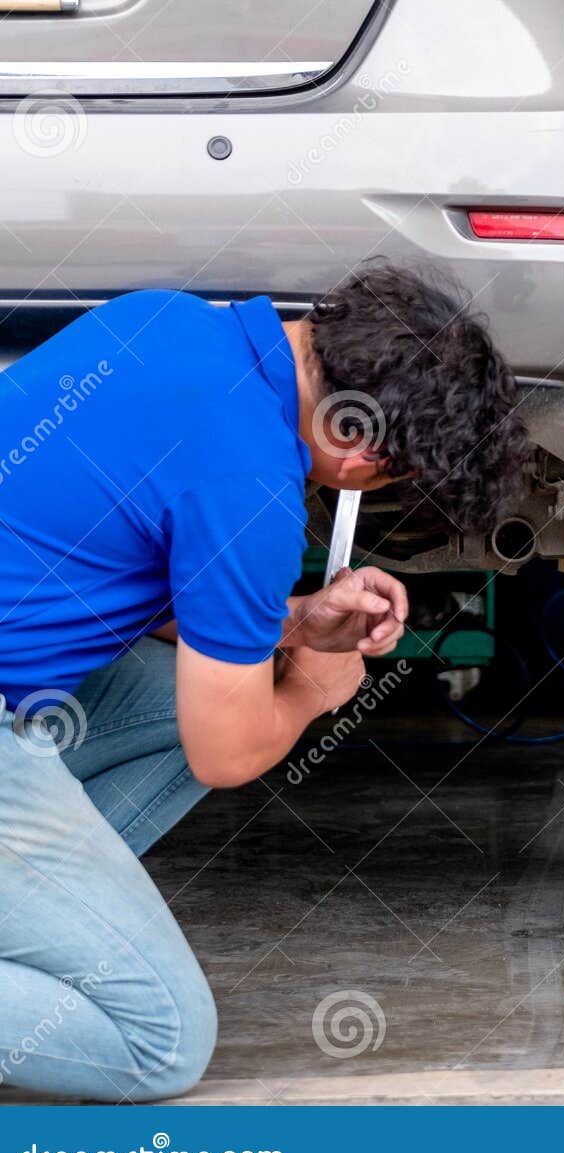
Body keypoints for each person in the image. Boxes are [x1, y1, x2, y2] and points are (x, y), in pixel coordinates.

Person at [0, 263, 528, 1101]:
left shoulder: (161, 317)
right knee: (161, 1039)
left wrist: (300, 622)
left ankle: (38, 915)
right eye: (394, 481)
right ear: (363, 449)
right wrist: (314, 687)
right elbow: (226, 751)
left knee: (176, 696)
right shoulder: (252, 487)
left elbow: (132, 581)